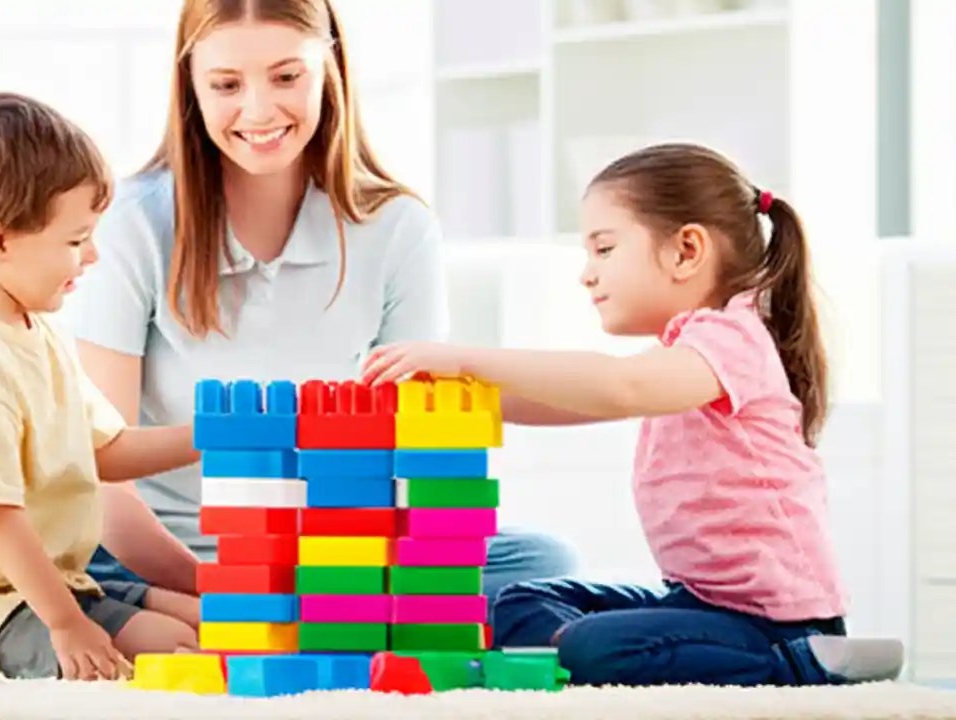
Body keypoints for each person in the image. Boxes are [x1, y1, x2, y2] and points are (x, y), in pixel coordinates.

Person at [0, 0, 576, 674]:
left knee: (538, 555)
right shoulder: (130, 222)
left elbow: (411, 449)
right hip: (119, 556)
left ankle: (18, 626)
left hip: (323, 551)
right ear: (191, 87)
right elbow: (99, 480)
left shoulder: (396, 230)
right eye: (226, 84)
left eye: (286, 75)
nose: (259, 110)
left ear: (331, 66)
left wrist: (326, 579)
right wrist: (223, 589)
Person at [361, 142, 905, 687]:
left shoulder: (732, 339)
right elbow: (570, 401)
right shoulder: (683, 353)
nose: (587, 274)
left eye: (604, 249)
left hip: (773, 625)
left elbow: (617, 387)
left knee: (592, 648)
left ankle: (811, 663)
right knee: (521, 603)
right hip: (697, 603)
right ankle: (582, 654)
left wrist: (462, 357)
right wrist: (453, 398)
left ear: (686, 251)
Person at [0, 91, 199, 681]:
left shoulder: (35, 328)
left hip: (59, 582)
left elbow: (107, 450)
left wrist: (211, 435)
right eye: (76, 241)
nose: (94, 256)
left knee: (207, 623)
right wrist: (67, 624)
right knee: (169, 649)